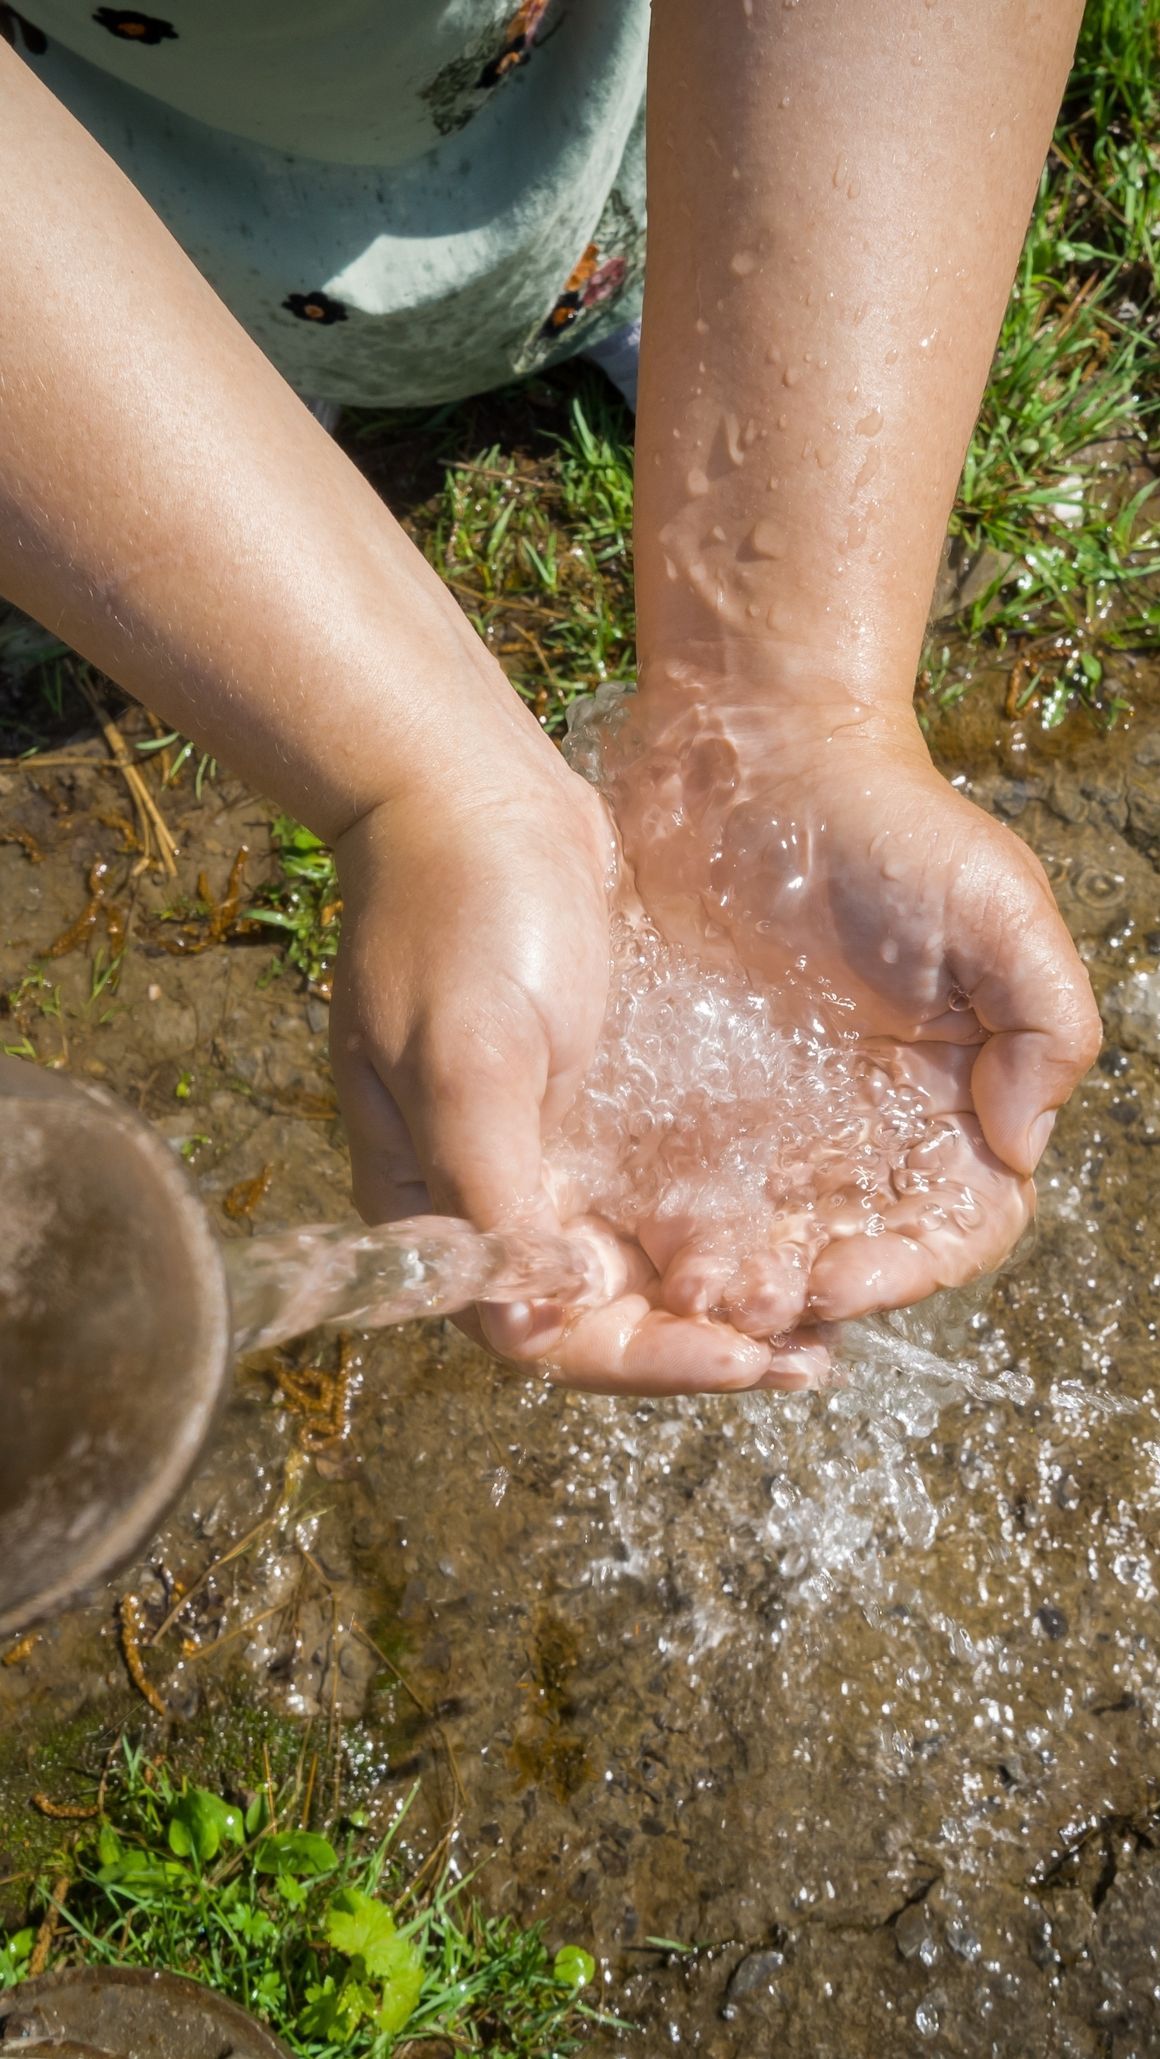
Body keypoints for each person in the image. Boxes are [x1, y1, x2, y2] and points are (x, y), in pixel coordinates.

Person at [0, 0, 1100, 1395]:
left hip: (667, 91)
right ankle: (228, 410)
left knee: (595, 198)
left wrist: (779, 696)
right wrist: (426, 785)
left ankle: (602, 288)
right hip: (86, 226)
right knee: (171, 315)